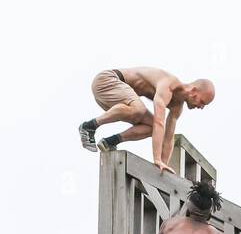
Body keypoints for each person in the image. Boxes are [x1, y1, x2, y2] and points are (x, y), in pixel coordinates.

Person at [79, 67, 215, 172]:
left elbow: (168, 138)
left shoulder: (177, 107)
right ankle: (89, 126)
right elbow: (159, 122)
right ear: (193, 91)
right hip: (107, 80)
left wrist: (163, 166)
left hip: (115, 96)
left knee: (151, 128)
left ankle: (110, 142)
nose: (201, 107)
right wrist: (156, 159)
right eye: (202, 102)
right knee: (139, 110)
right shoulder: (169, 85)